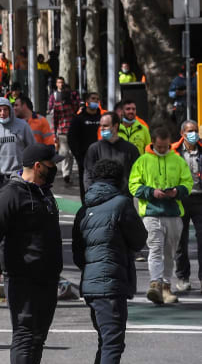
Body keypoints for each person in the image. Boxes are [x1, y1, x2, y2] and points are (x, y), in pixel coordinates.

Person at [0, 143, 64, 364]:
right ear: (39, 166)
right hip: (23, 277)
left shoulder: (45, 193)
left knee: (39, 336)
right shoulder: (10, 194)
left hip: (48, 277)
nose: (56, 168)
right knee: (25, 332)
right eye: (51, 164)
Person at [71, 158, 147, 364]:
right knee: (113, 343)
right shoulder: (121, 204)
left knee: (106, 342)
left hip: (92, 283)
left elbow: (78, 254)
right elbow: (140, 239)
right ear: (119, 179)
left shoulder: (85, 208)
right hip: (112, 282)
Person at [128, 124, 193, 305]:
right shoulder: (143, 161)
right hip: (151, 213)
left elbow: (188, 183)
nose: (163, 149)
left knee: (170, 252)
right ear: (153, 143)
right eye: (159, 147)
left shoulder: (178, 160)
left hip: (173, 213)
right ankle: (155, 283)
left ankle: (166, 286)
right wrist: (151, 192)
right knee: (156, 249)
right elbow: (133, 185)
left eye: (166, 146)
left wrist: (176, 191)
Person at [0, 97, 33, 191]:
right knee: (1, 204)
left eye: (5, 109)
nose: (2, 113)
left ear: (10, 110)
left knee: (17, 203)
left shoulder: (22, 125)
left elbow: (31, 146)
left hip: (18, 175)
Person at [174, 120, 202, 293]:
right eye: (190, 131)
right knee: (180, 241)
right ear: (182, 133)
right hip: (181, 199)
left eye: (195, 131)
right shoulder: (174, 152)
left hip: (200, 199)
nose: (193, 134)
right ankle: (182, 277)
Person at [82, 112, 140, 193]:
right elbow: (88, 174)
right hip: (100, 197)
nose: (101, 128)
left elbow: (137, 174)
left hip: (123, 197)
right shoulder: (94, 148)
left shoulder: (131, 149)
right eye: (100, 125)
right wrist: (91, 192)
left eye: (105, 126)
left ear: (115, 126)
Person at [68, 92, 104, 198]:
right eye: (93, 98)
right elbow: (72, 138)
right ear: (87, 101)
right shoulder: (78, 119)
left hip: (101, 159)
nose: (95, 101)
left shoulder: (102, 118)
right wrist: (78, 157)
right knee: (86, 186)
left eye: (97, 99)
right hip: (84, 159)